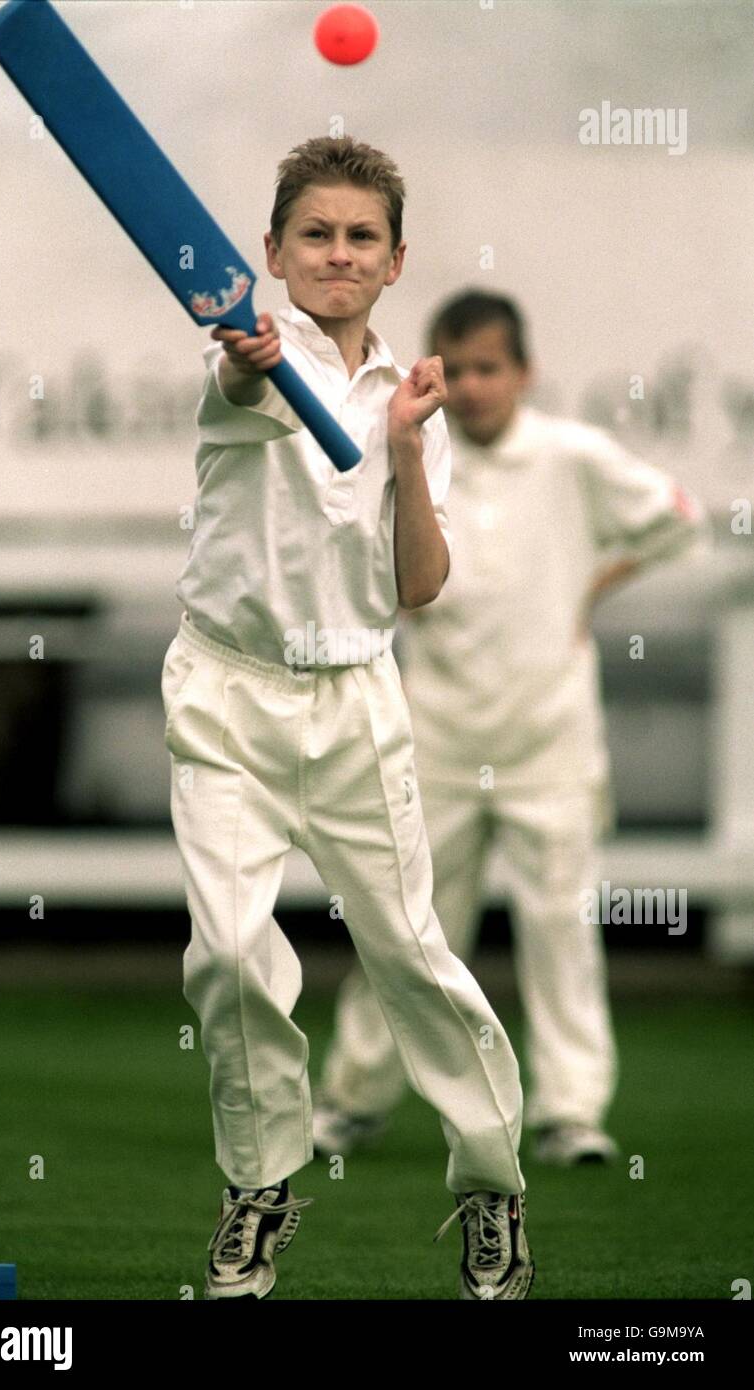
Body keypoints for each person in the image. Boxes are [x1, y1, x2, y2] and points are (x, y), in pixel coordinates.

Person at [161, 145, 534, 1300]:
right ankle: (259, 1188)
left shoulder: (407, 397)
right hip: (224, 693)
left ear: (393, 261)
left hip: (356, 699)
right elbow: (237, 394)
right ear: (269, 255)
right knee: (225, 954)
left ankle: (490, 1190)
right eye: (312, 235)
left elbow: (418, 584)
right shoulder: (241, 359)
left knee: (412, 957)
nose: (335, 254)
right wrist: (247, 360)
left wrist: (409, 449)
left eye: (357, 237)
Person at [313, 290, 708, 1168]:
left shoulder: (571, 454)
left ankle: (569, 1113)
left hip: (548, 740)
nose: (478, 388)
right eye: (460, 371)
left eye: (492, 369)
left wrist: (588, 592)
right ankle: (351, 1101)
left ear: (524, 373)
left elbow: (680, 520)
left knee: (560, 929)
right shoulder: (411, 447)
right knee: (404, 925)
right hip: (435, 735)